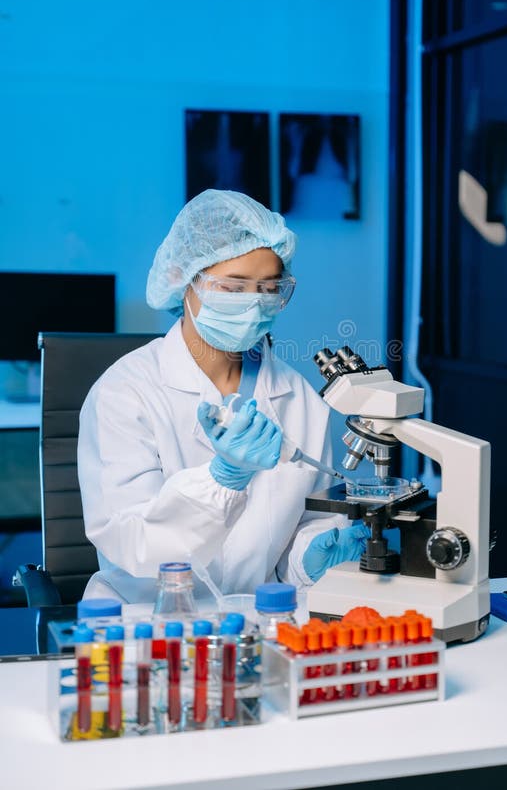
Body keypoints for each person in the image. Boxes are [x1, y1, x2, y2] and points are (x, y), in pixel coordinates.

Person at [78, 188, 369, 603]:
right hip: (145, 617)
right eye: (233, 289)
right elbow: (132, 543)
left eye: (269, 289)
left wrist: (310, 556)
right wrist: (221, 480)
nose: (254, 304)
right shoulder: (125, 393)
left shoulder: (299, 398)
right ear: (182, 279)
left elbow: (301, 525)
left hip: (259, 615)